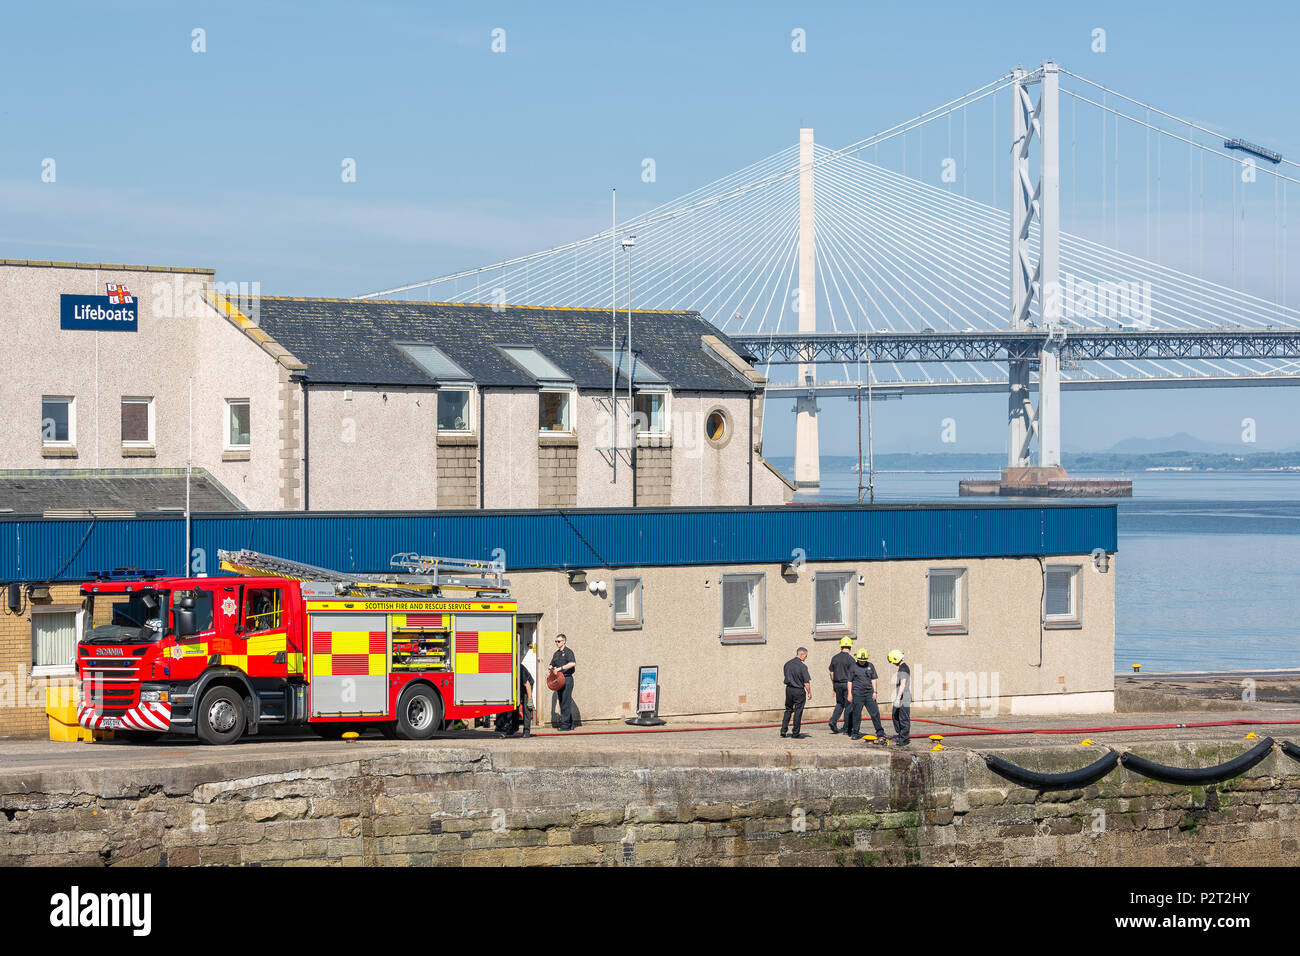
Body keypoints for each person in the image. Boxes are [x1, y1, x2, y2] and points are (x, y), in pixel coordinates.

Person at [847, 649, 886, 741]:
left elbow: (874, 679)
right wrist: (849, 694)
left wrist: (875, 692)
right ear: (857, 659)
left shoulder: (870, 666)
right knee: (856, 714)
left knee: (875, 713)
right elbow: (849, 681)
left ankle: (880, 732)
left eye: (864, 660)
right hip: (857, 694)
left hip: (869, 694)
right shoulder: (853, 667)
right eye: (861, 660)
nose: (862, 662)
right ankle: (855, 732)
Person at [780, 647, 812, 739]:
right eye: (806, 656)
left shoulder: (787, 664)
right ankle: (795, 733)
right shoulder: (802, 666)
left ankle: (783, 730)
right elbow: (806, 682)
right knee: (798, 711)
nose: (806, 658)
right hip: (799, 690)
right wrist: (809, 692)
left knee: (788, 710)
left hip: (789, 689)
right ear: (801, 654)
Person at [549, 633, 577, 731]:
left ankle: (565, 725)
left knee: (565, 701)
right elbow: (552, 664)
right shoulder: (556, 654)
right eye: (555, 641)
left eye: (559, 641)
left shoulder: (568, 652)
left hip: (567, 678)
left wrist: (560, 668)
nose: (557, 643)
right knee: (562, 701)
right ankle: (570, 723)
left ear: (564, 641)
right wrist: (551, 669)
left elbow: (573, 663)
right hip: (559, 680)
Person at [827, 637, 856, 734]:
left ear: (841, 646)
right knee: (849, 706)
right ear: (850, 647)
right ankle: (846, 728)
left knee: (839, 704)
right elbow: (853, 675)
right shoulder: (851, 659)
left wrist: (834, 684)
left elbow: (831, 673)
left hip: (837, 683)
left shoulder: (835, 658)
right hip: (847, 684)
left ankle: (833, 720)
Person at [888, 648, 911, 747]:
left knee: (903, 718)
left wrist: (898, 697)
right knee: (895, 716)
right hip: (901, 695)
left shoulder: (903, 669)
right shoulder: (903, 667)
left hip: (903, 696)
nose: (893, 663)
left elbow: (903, 684)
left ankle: (904, 739)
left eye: (893, 661)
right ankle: (901, 734)